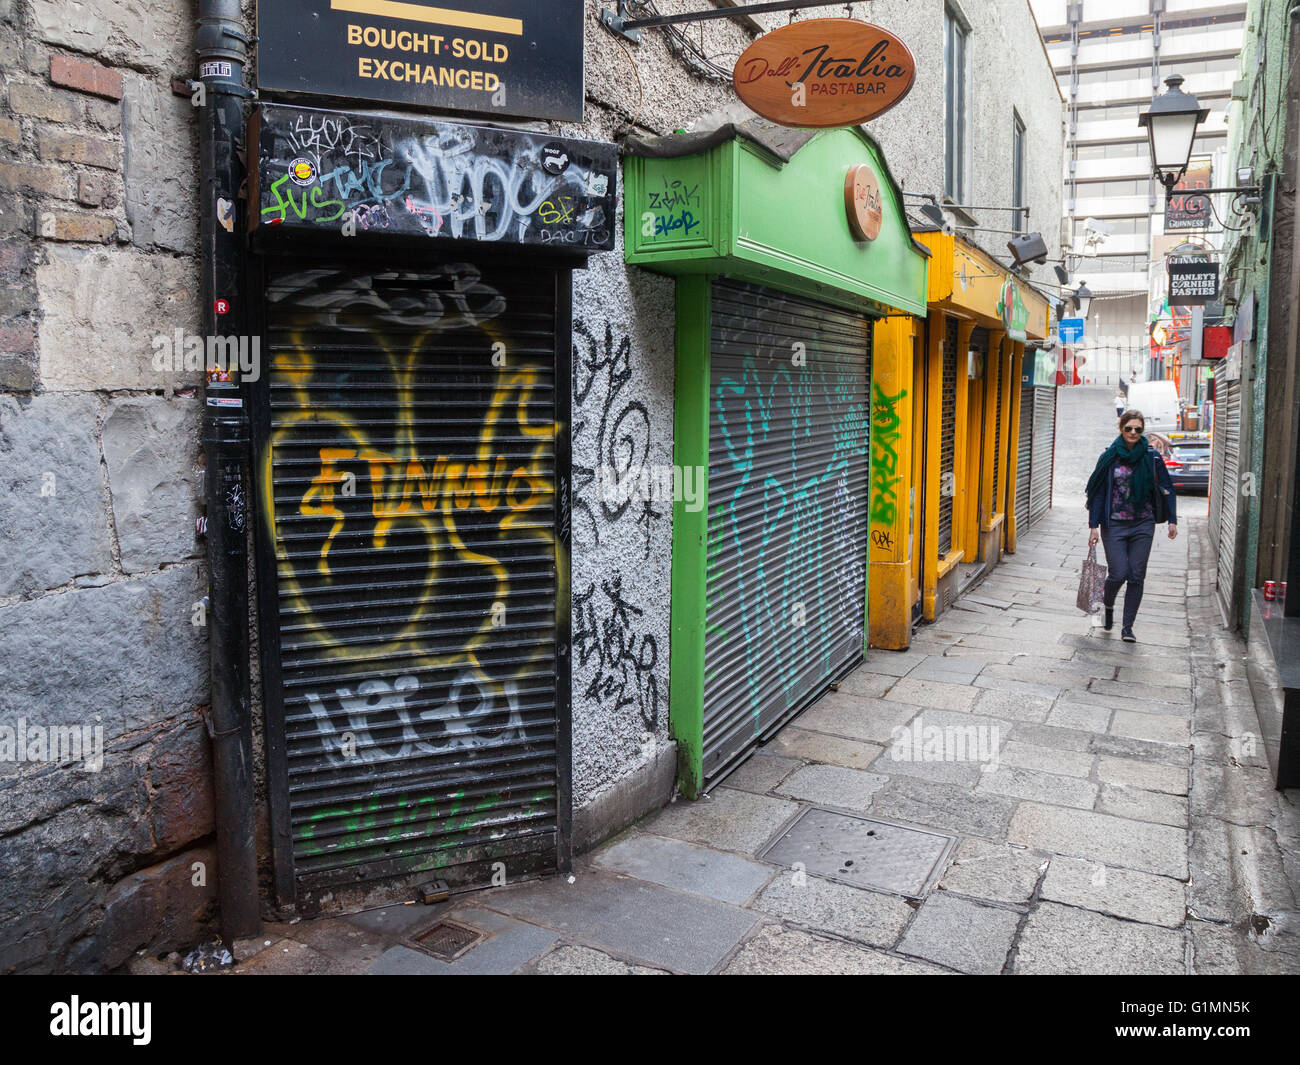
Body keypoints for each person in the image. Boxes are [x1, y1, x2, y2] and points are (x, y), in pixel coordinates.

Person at [1085, 409, 1178, 642]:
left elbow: (1167, 488)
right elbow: (1098, 493)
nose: (1133, 432)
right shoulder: (1109, 457)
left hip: (1142, 524)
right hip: (1114, 524)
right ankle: (1108, 605)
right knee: (1118, 572)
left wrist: (1172, 520)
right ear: (1121, 428)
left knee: (1136, 576)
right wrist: (1093, 526)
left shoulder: (1152, 457)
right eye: (1129, 428)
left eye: (1138, 429)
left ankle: (1128, 627)